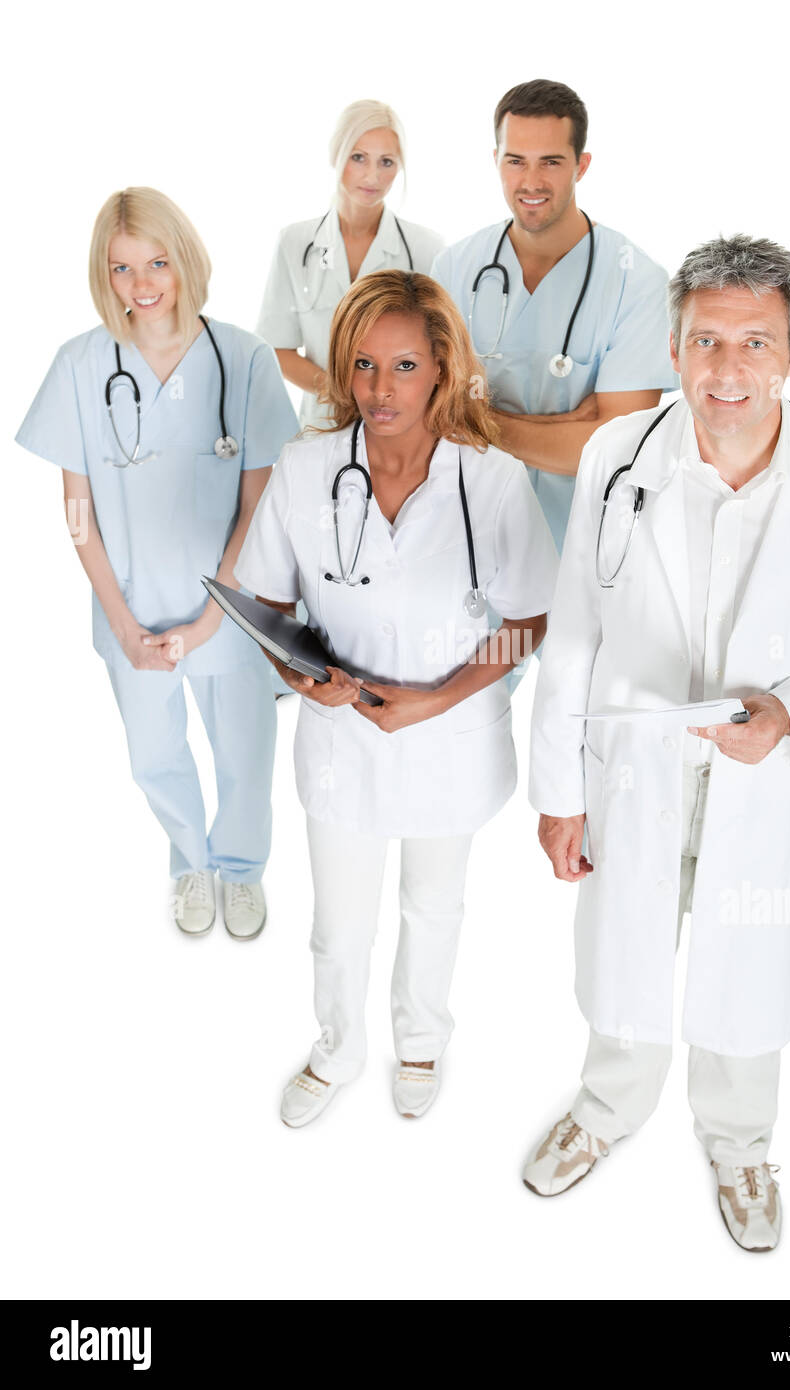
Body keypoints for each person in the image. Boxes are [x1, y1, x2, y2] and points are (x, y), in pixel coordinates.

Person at [523, 235, 790, 1250]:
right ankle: (606, 1108)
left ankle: (739, 1140)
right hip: (637, 773)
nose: (725, 368)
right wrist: (556, 789)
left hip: (768, 784)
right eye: (704, 339)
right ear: (672, 346)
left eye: (752, 342)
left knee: (746, 973)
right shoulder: (615, 458)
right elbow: (573, 626)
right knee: (622, 953)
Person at [234, 270, 558, 1125]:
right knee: (339, 923)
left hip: (449, 738)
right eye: (366, 366)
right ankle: (337, 1049)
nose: (381, 390)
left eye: (405, 366)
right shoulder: (306, 472)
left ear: (443, 370)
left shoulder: (488, 481)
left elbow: (530, 620)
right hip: (340, 741)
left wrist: (437, 696)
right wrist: (294, 673)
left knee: (434, 903)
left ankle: (421, 1040)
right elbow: (264, 604)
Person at [16, 188, 298, 940]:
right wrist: (122, 621)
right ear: (102, 275)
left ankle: (239, 871)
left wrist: (212, 621)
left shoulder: (243, 359)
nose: (142, 283)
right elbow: (78, 514)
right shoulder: (80, 364)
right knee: (153, 756)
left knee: (246, 756)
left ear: (185, 260)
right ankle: (189, 865)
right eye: (121, 268)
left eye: (157, 261)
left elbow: (259, 507)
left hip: (233, 616)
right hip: (131, 610)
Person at [431, 78, 677, 557]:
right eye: (516, 160)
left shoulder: (637, 280)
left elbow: (618, 451)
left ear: (582, 166)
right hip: (464, 535)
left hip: (581, 547)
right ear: (496, 160)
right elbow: (427, 414)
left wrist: (474, 421)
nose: (531, 182)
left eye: (551, 162)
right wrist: (571, 424)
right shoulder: (455, 268)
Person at [257, 99, 444, 430]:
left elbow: (441, 352)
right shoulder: (295, 242)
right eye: (359, 158)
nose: (372, 176)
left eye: (386, 162)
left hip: (400, 428)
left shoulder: (425, 249)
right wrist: (340, 392)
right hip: (322, 426)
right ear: (335, 155)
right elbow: (277, 346)